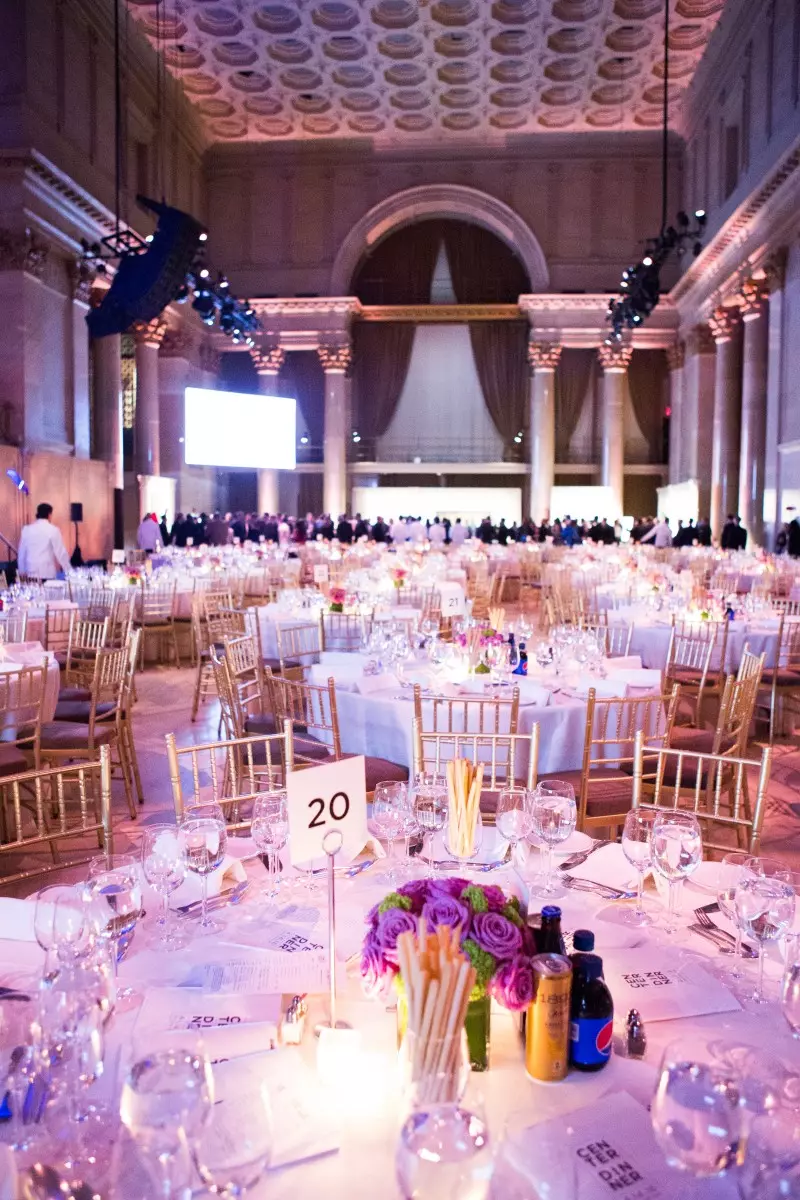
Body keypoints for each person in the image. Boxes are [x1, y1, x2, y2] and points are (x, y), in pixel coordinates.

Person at [18, 502, 71, 580]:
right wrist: (68, 570)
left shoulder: (27, 529)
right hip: (46, 572)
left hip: (30, 572)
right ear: (49, 515)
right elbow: (60, 552)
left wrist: (21, 571)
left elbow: (21, 553)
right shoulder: (53, 530)